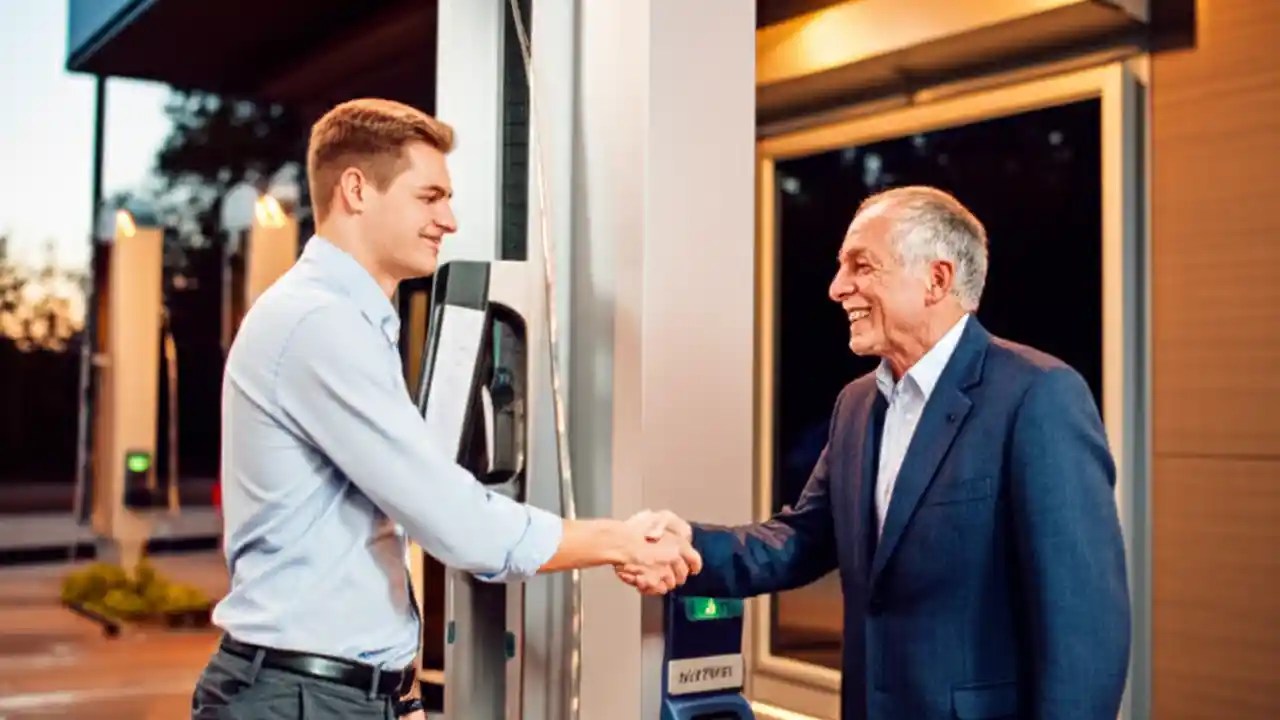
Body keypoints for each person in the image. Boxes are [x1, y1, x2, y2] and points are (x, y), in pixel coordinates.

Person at [192, 98, 700, 719]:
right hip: (301, 700)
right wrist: (619, 540)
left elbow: (363, 538)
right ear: (356, 190)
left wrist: (393, 693)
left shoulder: (344, 319)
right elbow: (457, 523)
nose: (449, 220)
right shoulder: (318, 323)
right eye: (429, 197)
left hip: (330, 694)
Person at [626, 186, 1131, 719]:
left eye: (861, 266)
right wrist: (685, 545)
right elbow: (800, 541)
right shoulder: (857, 404)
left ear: (936, 279)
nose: (837, 287)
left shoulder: (1038, 396)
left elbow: (1085, 633)